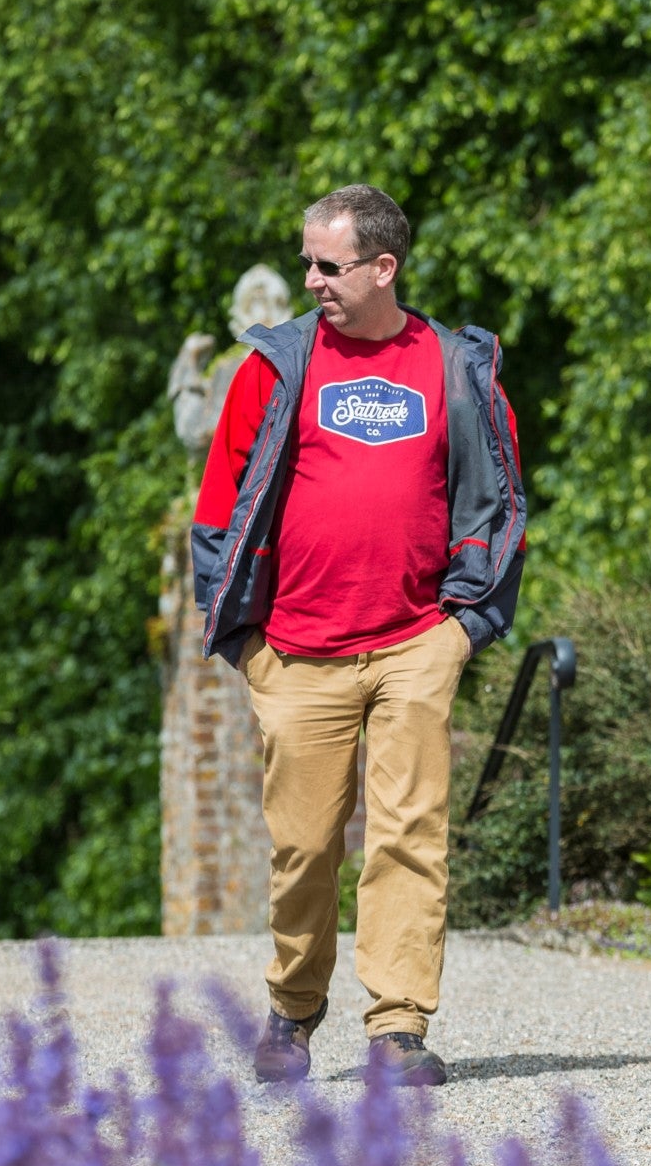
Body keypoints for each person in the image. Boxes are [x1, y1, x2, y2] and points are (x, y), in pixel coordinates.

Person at [191, 184, 525, 1087]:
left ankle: (398, 1029)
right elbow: (220, 505)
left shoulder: (455, 365)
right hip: (296, 648)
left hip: (417, 639)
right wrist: (244, 642)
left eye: (328, 266)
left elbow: (496, 503)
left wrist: (463, 627)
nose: (312, 280)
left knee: (411, 834)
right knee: (304, 847)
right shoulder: (276, 366)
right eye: (306, 261)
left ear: (385, 268)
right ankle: (295, 1007)